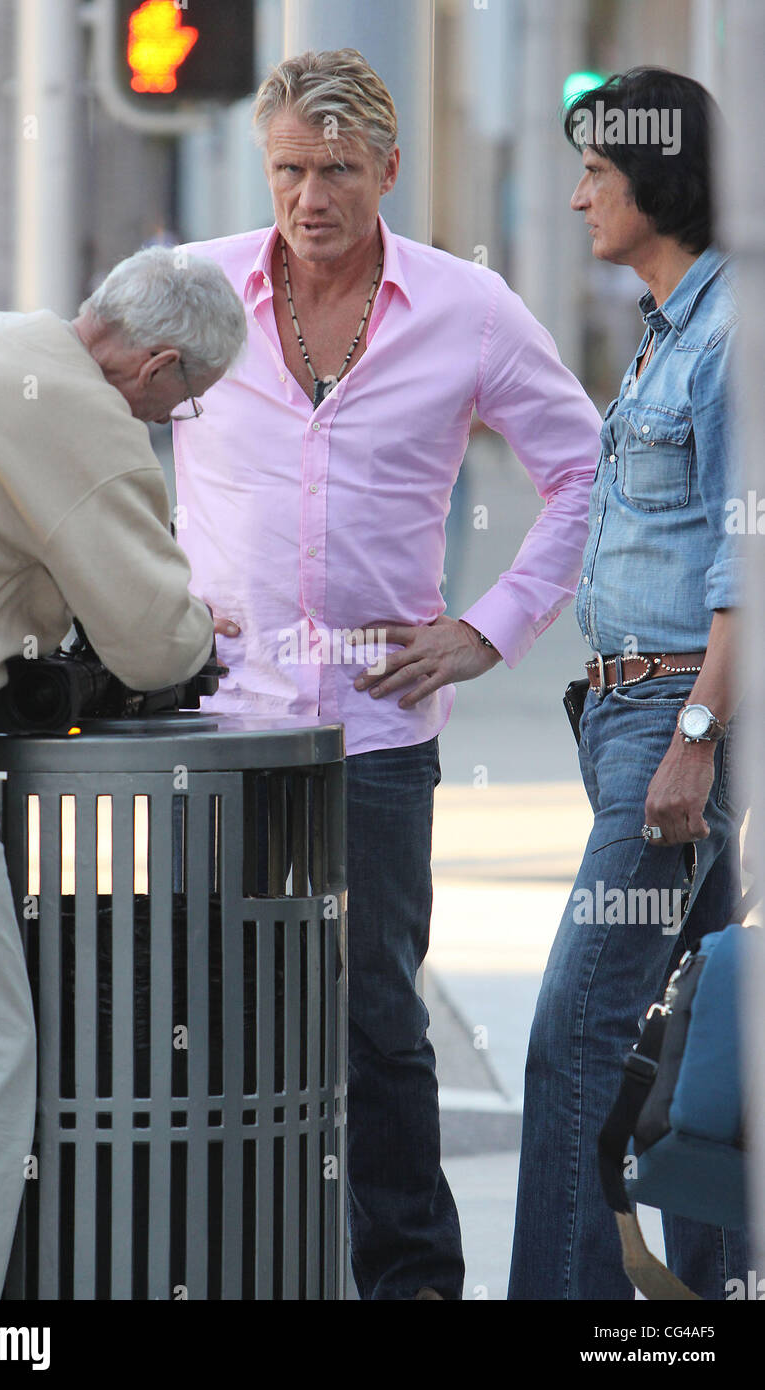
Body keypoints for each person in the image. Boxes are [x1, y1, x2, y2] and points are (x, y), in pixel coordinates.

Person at [170, 48, 602, 1300]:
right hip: (222, 724)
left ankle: (410, 1286)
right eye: (290, 169)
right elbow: (88, 399)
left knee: (373, 1030)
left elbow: (586, 468)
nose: (310, 196)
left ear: (388, 171)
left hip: (375, 735)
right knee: (216, 1019)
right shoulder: (195, 287)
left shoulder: (466, 310)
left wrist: (492, 626)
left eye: (338, 170)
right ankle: (233, 1274)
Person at [0, 245, 246, 1299]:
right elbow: (152, 642)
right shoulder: (86, 418)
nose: (171, 423)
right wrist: (194, 627)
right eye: (187, 404)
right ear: (158, 366)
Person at [508, 67, 748, 1301]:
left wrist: (696, 733)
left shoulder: (726, 335)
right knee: (698, 1047)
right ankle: (705, 1297)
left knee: (573, 1044)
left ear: (658, 180)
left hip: (672, 717)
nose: (572, 197)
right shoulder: (669, 328)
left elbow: (747, 562)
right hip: (628, 716)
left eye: (594, 173)